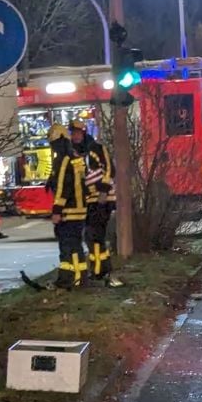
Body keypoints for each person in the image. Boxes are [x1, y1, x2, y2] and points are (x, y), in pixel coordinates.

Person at [69, 119, 120, 286]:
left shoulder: (96, 148)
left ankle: (101, 271)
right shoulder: (77, 154)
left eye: (77, 133)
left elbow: (109, 169)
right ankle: (100, 270)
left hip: (102, 200)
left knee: (94, 235)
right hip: (90, 201)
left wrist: (104, 192)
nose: (74, 136)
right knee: (93, 237)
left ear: (83, 132)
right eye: (72, 133)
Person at [48, 124, 89, 290]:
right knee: (76, 245)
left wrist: (57, 210)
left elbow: (63, 187)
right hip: (79, 210)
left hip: (68, 212)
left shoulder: (64, 160)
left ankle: (70, 280)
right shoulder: (76, 158)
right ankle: (79, 278)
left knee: (68, 247)